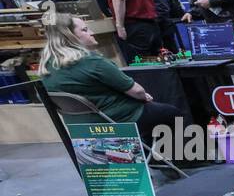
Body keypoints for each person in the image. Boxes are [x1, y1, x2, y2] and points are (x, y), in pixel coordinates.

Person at [37, 13, 181, 135]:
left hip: (80, 129)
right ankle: (176, 160)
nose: (92, 32)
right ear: (70, 36)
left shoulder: (46, 66)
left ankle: (151, 156)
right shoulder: (91, 62)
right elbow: (137, 91)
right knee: (171, 113)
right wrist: (143, 96)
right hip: (115, 122)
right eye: (85, 30)